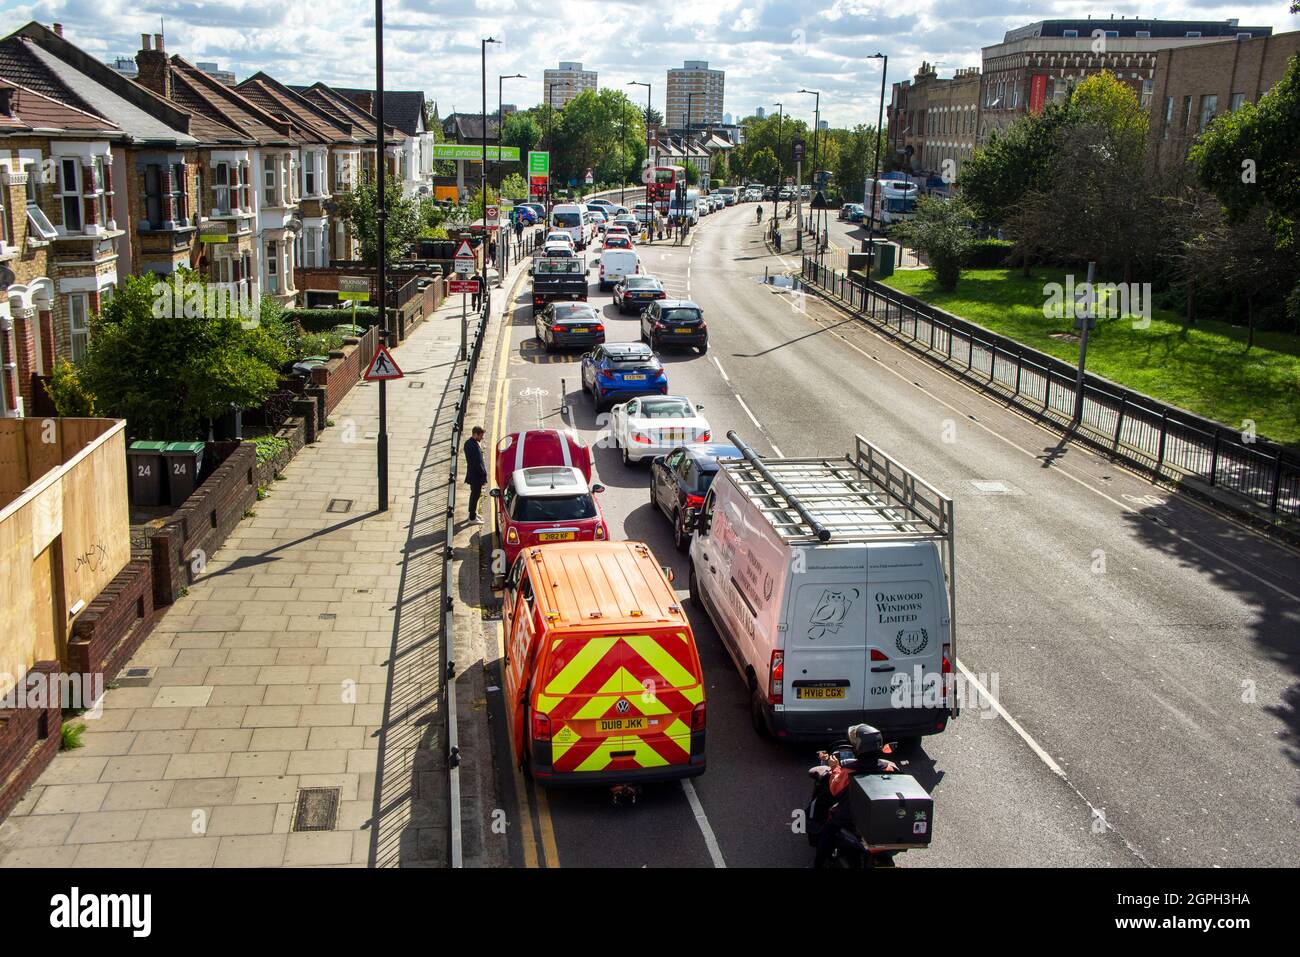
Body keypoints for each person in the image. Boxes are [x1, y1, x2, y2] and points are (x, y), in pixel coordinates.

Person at [810, 724, 899, 868]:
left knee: (826, 833)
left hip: (850, 819)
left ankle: (818, 865)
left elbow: (834, 789)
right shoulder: (889, 768)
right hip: (884, 820)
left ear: (859, 748)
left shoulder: (849, 771)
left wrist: (834, 767)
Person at [464, 426, 488, 524]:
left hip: (472, 474)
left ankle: (472, 514)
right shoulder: (474, 447)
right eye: (480, 436)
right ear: (475, 434)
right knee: (475, 495)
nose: (482, 438)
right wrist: (484, 475)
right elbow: (478, 463)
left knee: (474, 495)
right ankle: (472, 518)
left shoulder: (468, 443)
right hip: (476, 476)